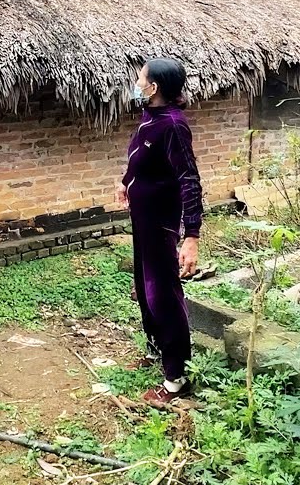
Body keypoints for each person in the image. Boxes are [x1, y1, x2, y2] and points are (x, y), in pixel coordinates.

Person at [116, 57, 202, 406]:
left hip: (162, 223)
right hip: (143, 219)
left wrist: (192, 236)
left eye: (140, 78)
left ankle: (176, 378)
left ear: (154, 87)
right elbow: (140, 159)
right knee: (144, 288)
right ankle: (156, 350)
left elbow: (189, 181)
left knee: (163, 295)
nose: (136, 81)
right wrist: (126, 183)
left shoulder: (173, 126)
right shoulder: (149, 120)